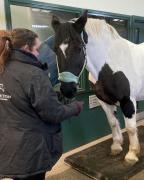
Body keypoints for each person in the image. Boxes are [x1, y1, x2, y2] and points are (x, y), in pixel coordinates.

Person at [0, 29, 84, 180]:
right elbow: (54, 114)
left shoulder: (3, 67)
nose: (39, 54)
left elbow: (17, 100)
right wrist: (75, 107)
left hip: (8, 147)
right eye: (38, 49)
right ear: (26, 47)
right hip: (31, 151)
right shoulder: (34, 74)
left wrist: (49, 96)